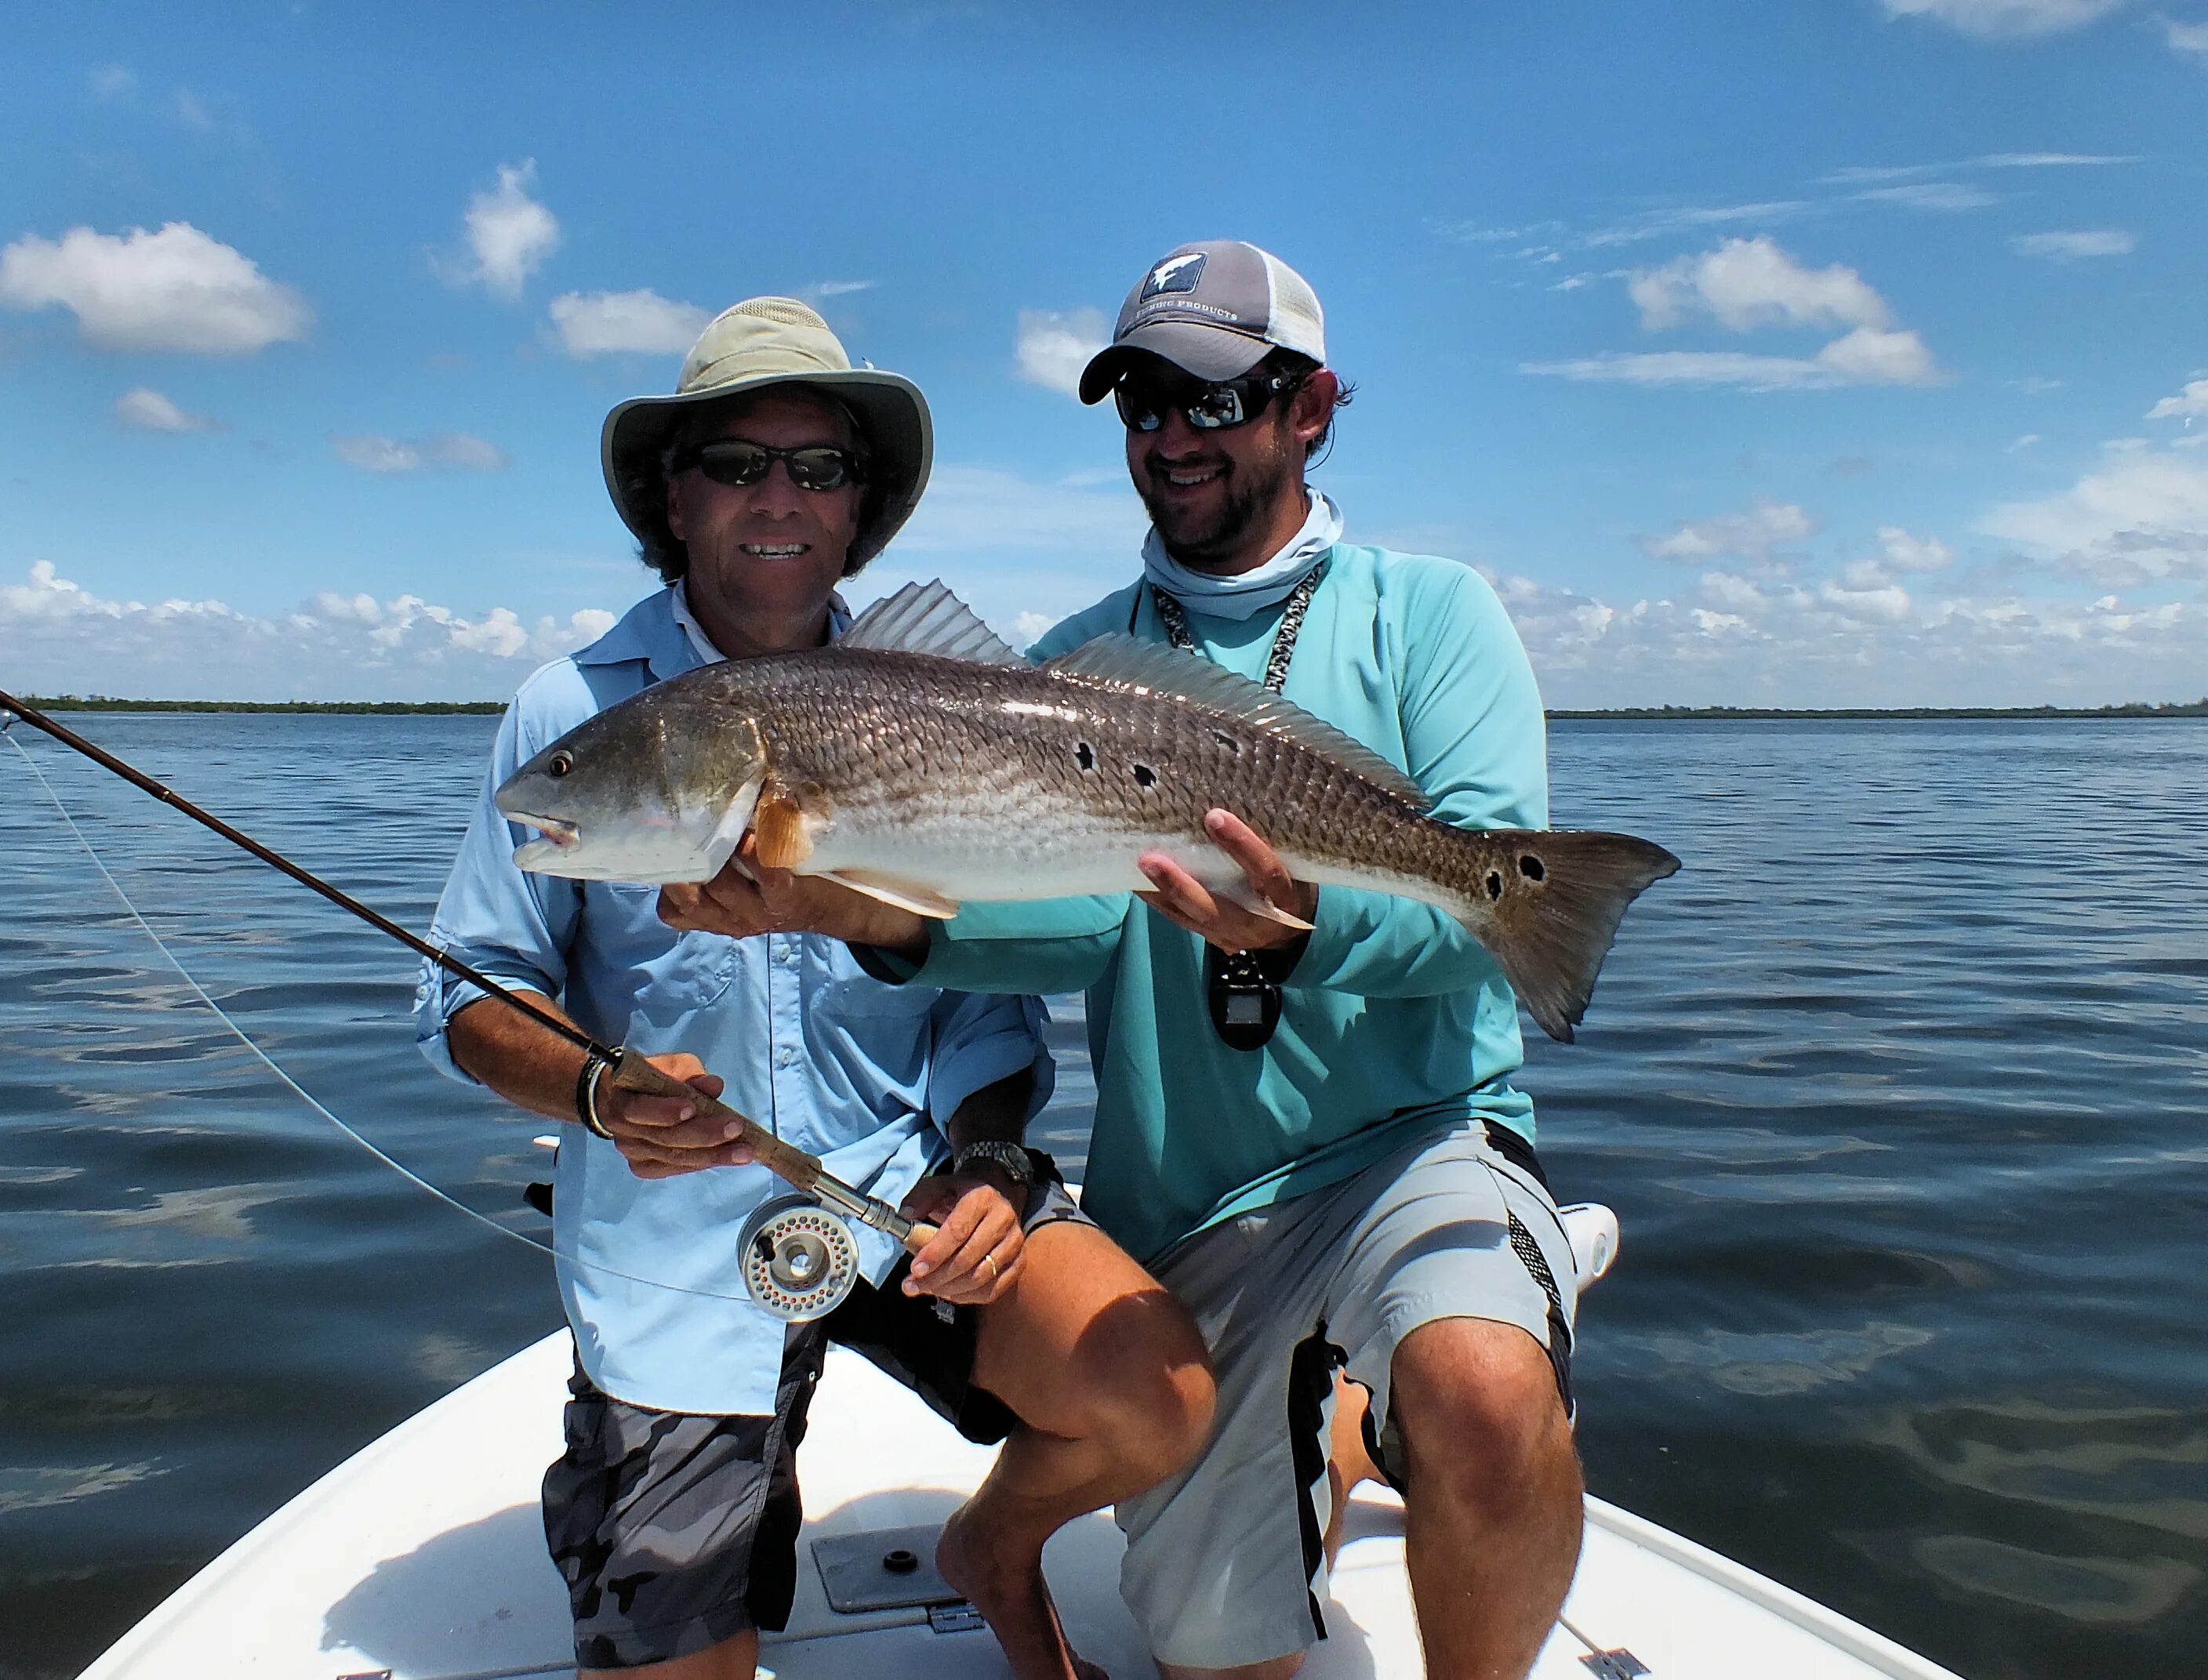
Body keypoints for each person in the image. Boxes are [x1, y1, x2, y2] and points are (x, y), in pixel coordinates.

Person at [664, 246, 1585, 1680]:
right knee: (1222, 1662)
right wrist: (872, 916)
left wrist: (1305, 928)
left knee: (1476, 1389)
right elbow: (1077, 923)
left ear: (1316, 408)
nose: (1172, 436)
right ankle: (1334, 1421)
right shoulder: (1072, 664)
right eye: (1142, 402)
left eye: (1217, 400)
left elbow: (1483, 937)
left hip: (1418, 1143)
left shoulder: (1434, 615)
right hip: (1195, 1200)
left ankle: (1399, 1376)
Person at [415, 296, 1212, 1680]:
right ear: (674, 496)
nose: (776, 498)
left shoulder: (950, 704)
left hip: (898, 1199)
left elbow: (991, 1015)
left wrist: (986, 1166)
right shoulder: (574, 712)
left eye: (818, 467)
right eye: (734, 463)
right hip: (675, 1259)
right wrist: (599, 1091)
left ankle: (992, 1547)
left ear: (861, 509)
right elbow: (470, 994)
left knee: (1158, 1394)